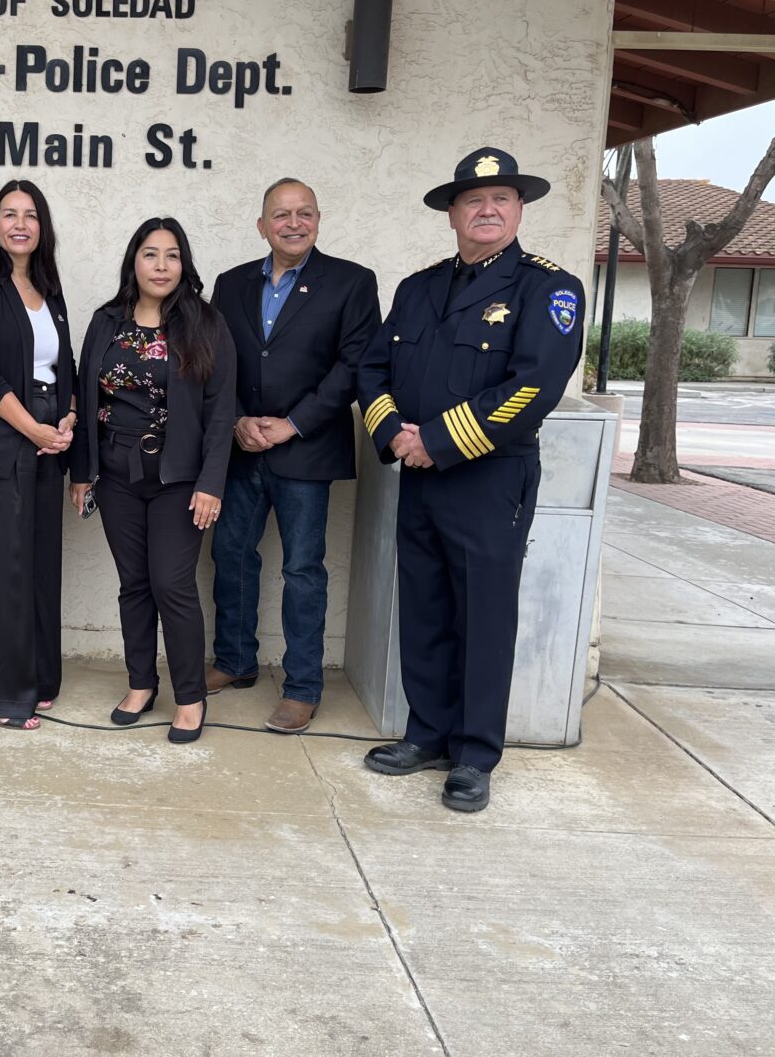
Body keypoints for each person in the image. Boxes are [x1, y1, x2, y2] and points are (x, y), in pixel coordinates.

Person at [356, 148, 584, 812]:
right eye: (473, 200)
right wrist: (396, 430)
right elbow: (373, 370)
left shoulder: (549, 288)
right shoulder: (418, 289)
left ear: (518, 210)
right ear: (452, 214)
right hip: (421, 476)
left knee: (483, 617)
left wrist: (439, 439)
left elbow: (535, 388)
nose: (487, 209)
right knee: (423, 607)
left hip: (490, 477)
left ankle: (475, 754)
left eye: (501, 199)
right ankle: (426, 734)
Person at [207, 179, 381, 733]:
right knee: (231, 555)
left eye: (304, 213)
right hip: (240, 448)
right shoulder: (230, 284)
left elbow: (354, 366)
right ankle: (235, 662)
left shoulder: (352, 282)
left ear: (318, 220)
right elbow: (215, 361)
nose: (293, 222)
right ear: (262, 226)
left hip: (305, 451)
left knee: (303, 569)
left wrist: (293, 424)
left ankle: (302, 686)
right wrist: (237, 419)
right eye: (281, 214)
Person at [70, 218, 236, 744]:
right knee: (134, 585)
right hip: (116, 474)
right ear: (133, 262)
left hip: (179, 479)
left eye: (171, 255)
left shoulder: (206, 323)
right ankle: (141, 683)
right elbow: (85, 395)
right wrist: (82, 473)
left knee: (172, 584)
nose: (161, 265)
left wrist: (211, 483)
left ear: (183, 264)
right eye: (150, 254)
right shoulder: (106, 320)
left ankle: (190, 697)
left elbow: (220, 409)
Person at [0, 180, 76, 730]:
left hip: (47, 441)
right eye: (9, 214)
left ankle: (38, 678)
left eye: (30, 215)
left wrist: (67, 419)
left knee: (39, 567)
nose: (20, 223)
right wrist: (36, 430)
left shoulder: (50, 288)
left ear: (41, 226)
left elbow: (63, 365)